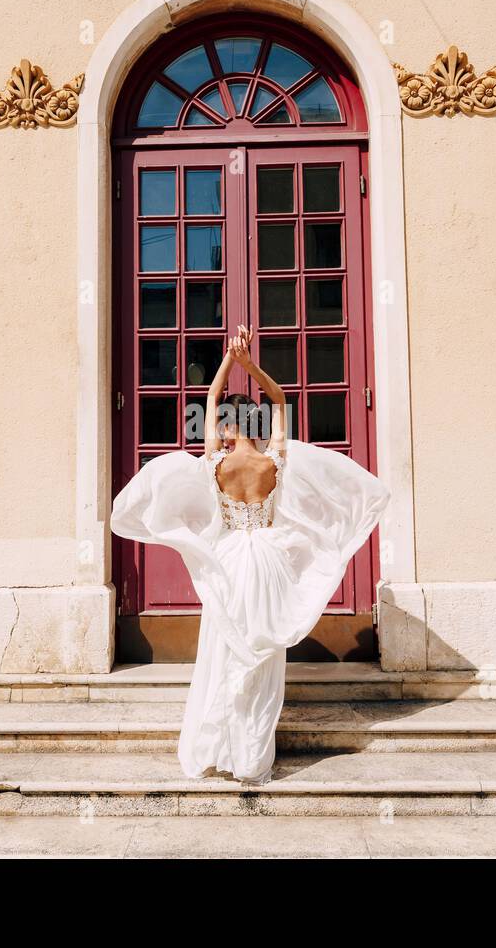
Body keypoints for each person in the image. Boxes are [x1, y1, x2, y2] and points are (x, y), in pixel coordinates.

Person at [110, 324, 389, 785]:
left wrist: (228, 360)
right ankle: (253, 757)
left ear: (223, 426)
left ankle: (219, 748)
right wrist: (252, 365)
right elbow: (280, 400)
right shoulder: (273, 461)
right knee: (262, 658)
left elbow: (213, 395)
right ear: (255, 424)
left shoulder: (215, 463)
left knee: (223, 650)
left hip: (230, 561)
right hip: (267, 563)